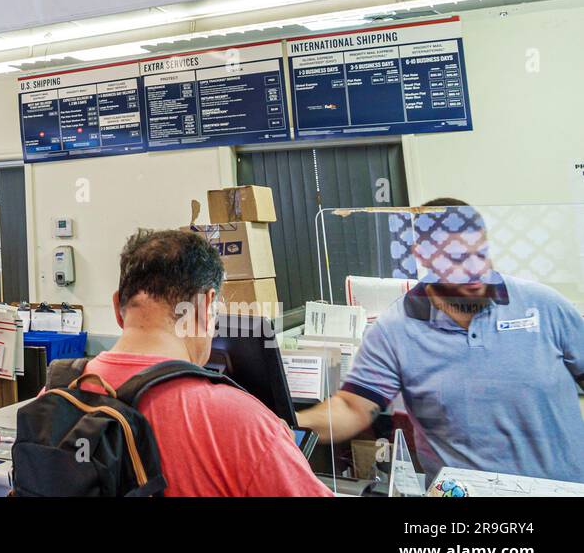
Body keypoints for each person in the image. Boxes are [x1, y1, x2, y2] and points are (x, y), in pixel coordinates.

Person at [297, 198, 584, 483]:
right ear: (424, 256)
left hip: (565, 489)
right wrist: (284, 426)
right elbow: (352, 407)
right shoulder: (395, 330)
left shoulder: (544, 305)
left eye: (480, 254)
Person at [81, 228, 331, 496]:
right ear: (204, 306)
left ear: (118, 306)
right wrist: (273, 450)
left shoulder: (55, 397)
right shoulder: (243, 425)